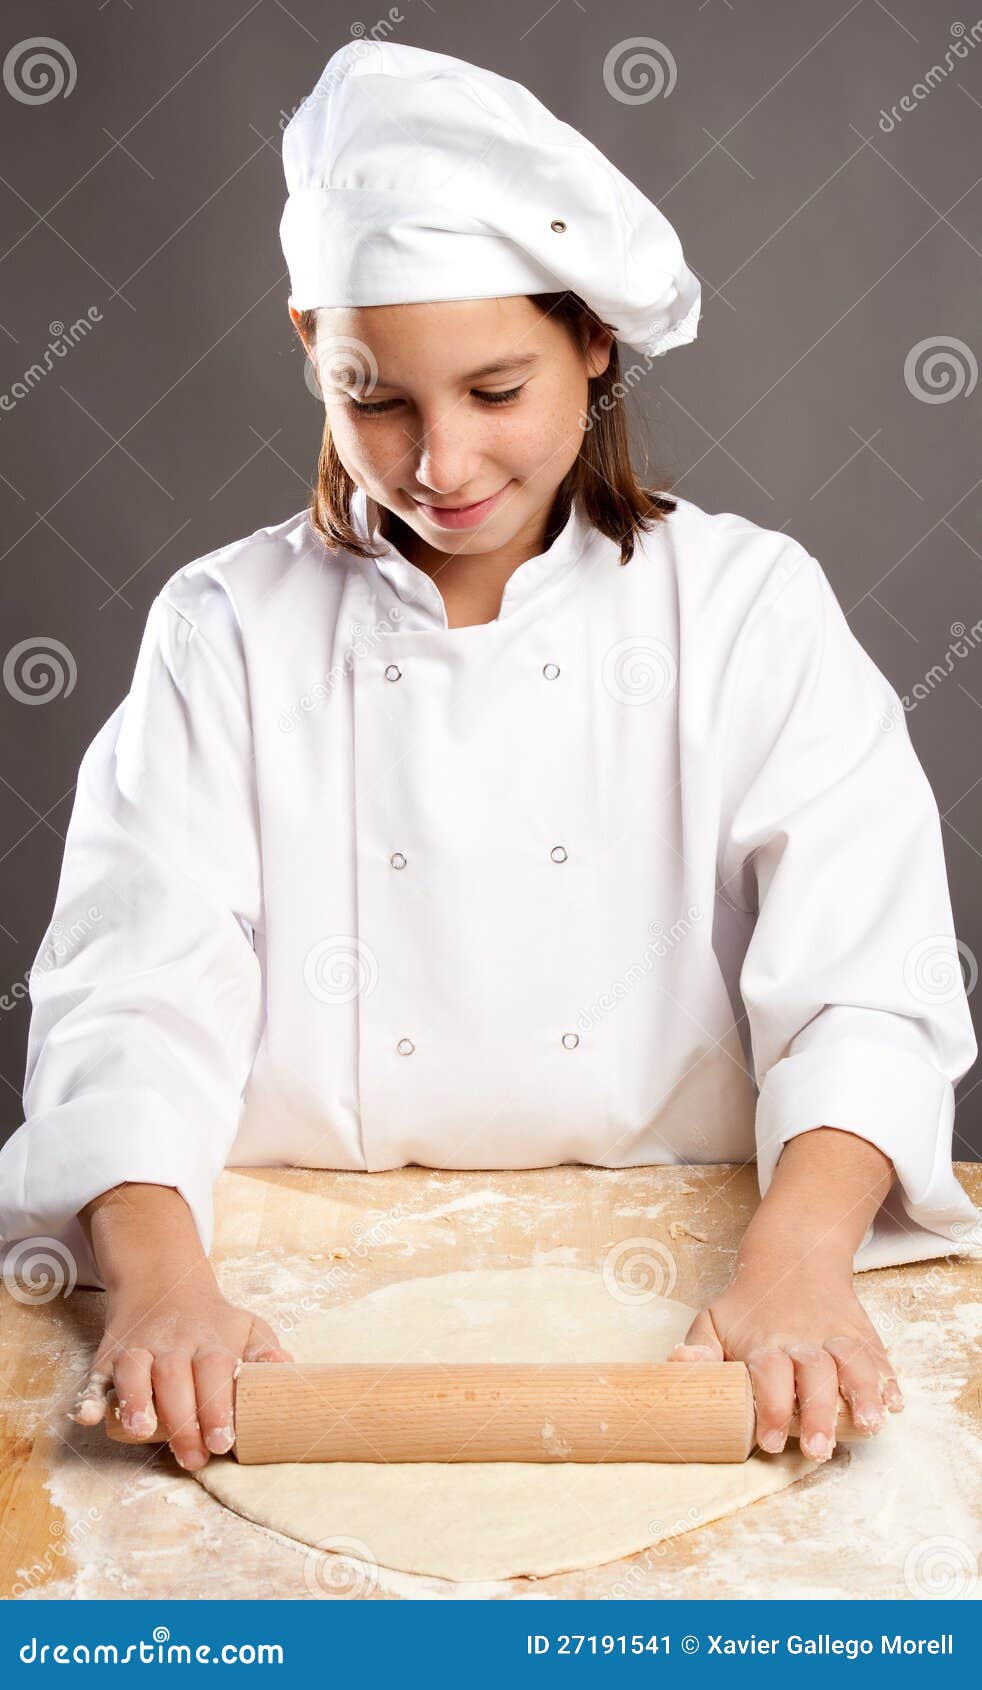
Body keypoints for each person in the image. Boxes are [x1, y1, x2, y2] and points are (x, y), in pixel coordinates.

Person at [1, 42, 978, 1479]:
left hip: (701, 1281)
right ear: (305, 348)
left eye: (494, 387)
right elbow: (130, 996)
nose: (439, 461)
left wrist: (798, 1261)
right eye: (373, 395)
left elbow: (864, 987)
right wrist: (160, 1286)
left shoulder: (744, 611)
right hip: (275, 1290)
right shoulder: (224, 633)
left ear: (590, 339)